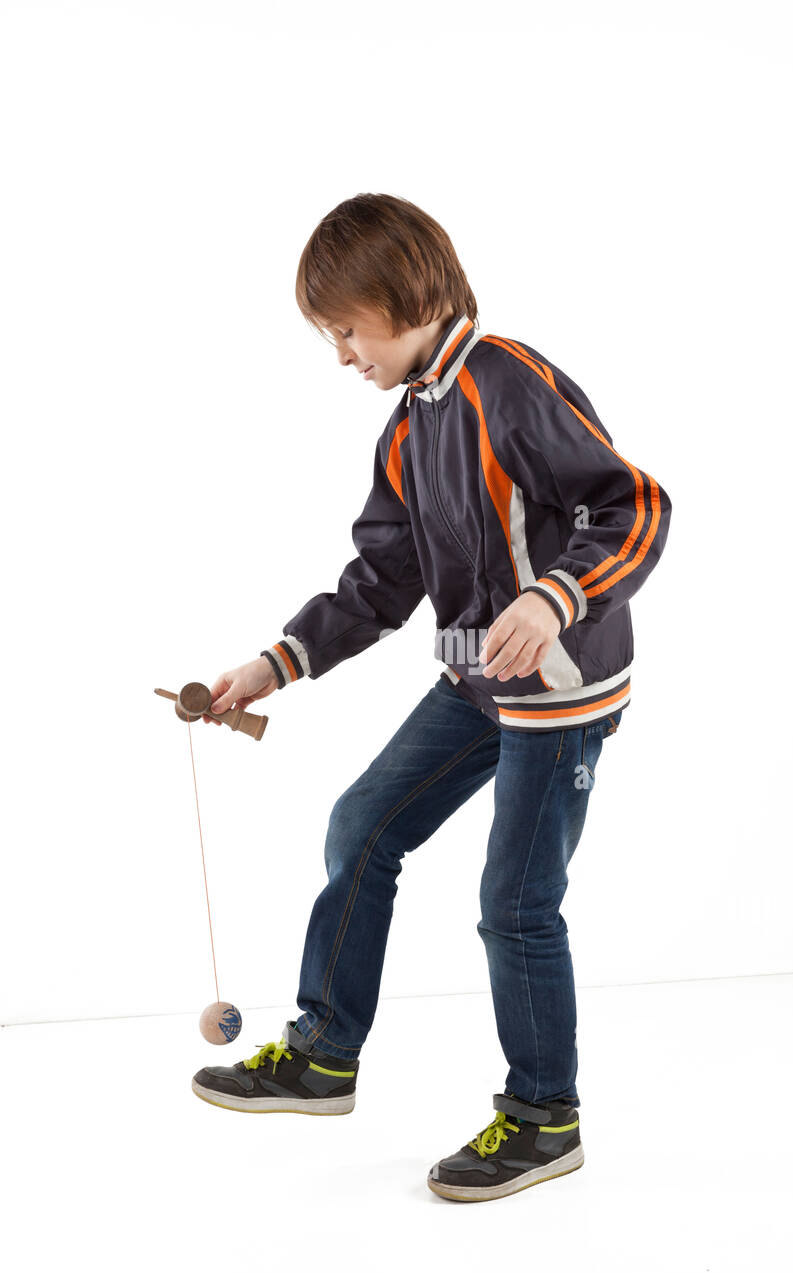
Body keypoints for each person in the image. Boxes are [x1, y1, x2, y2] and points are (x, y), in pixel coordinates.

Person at [190, 192, 673, 1203]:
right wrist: (269, 665)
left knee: (514, 902)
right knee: (362, 825)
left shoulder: (510, 381)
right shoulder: (410, 426)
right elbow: (377, 583)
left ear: (397, 295)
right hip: (473, 682)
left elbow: (630, 504)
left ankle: (545, 1115)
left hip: (559, 690)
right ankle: (322, 1053)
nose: (340, 355)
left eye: (344, 330)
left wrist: (554, 595)